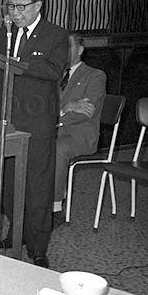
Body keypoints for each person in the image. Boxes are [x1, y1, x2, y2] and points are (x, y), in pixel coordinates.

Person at [0, 0, 69, 268]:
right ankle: (16, 234)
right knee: (10, 181)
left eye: (21, 7)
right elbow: (0, 71)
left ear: (38, 6)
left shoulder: (56, 35)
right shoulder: (7, 32)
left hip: (38, 121)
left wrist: (17, 62)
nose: (15, 12)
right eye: (11, 6)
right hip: (9, 117)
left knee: (37, 185)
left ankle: (38, 246)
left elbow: (52, 70)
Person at [53, 34, 106, 222]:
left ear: (80, 50)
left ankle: (55, 208)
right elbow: (44, 105)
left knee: (57, 148)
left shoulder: (95, 76)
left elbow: (86, 111)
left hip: (81, 135)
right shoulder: (55, 75)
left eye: (69, 47)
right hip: (55, 129)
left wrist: (58, 113)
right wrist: (65, 108)